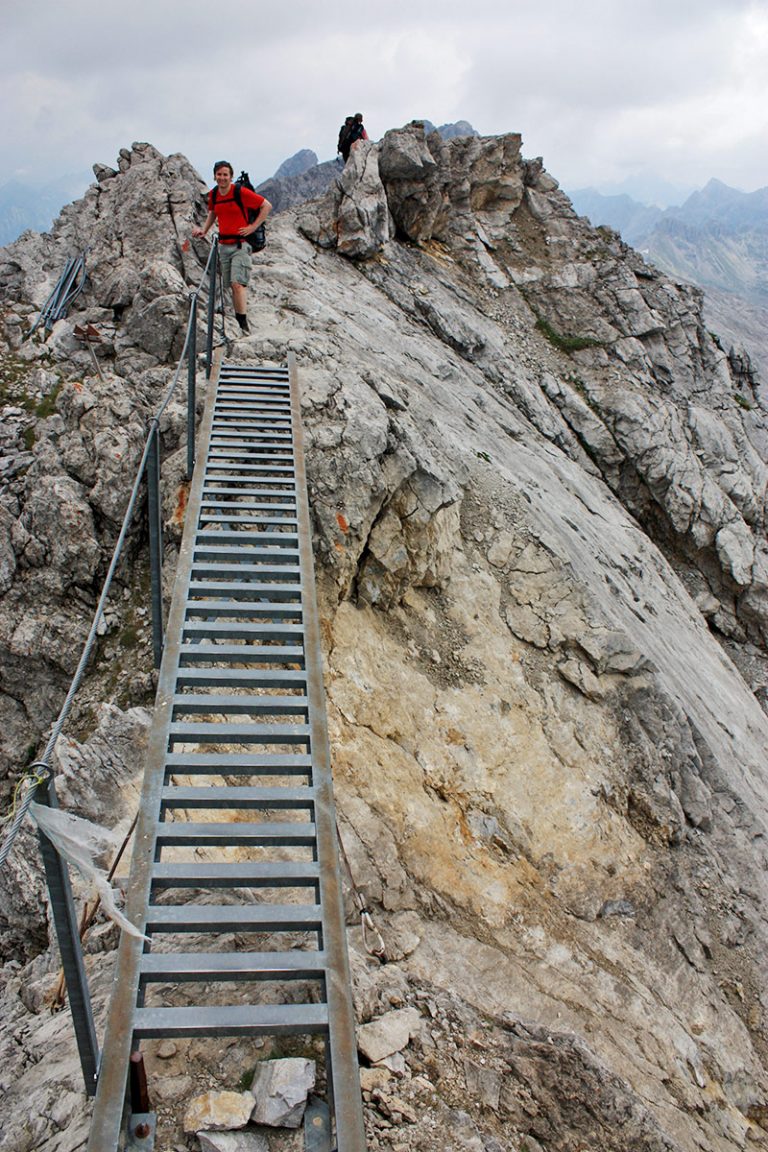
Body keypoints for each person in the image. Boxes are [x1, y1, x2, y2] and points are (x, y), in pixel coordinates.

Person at [193, 161, 272, 335]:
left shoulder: (239, 192)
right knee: (231, 284)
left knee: (237, 284)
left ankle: (242, 323)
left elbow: (266, 206)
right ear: (214, 176)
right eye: (219, 174)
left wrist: (252, 227)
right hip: (224, 245)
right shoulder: (214, 195)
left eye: (225, 175)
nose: (222, 178)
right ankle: (239, 317)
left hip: (241, 245)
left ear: (230, 176)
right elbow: (213, 212)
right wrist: (204, 230)